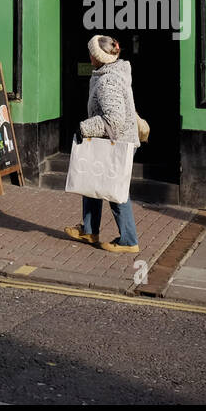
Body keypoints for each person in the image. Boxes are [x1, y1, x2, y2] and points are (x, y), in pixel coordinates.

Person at [65, 34, 140, 253]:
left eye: (91, 52)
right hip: (110, 139)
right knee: (93, 181)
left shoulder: (108, 81)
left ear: (98, 57)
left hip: (117, 141)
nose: (89, 56)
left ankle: (129, 241)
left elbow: (114, 119)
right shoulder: (112, 72)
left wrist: (84, 128)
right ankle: (89, 231)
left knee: (117, 191)